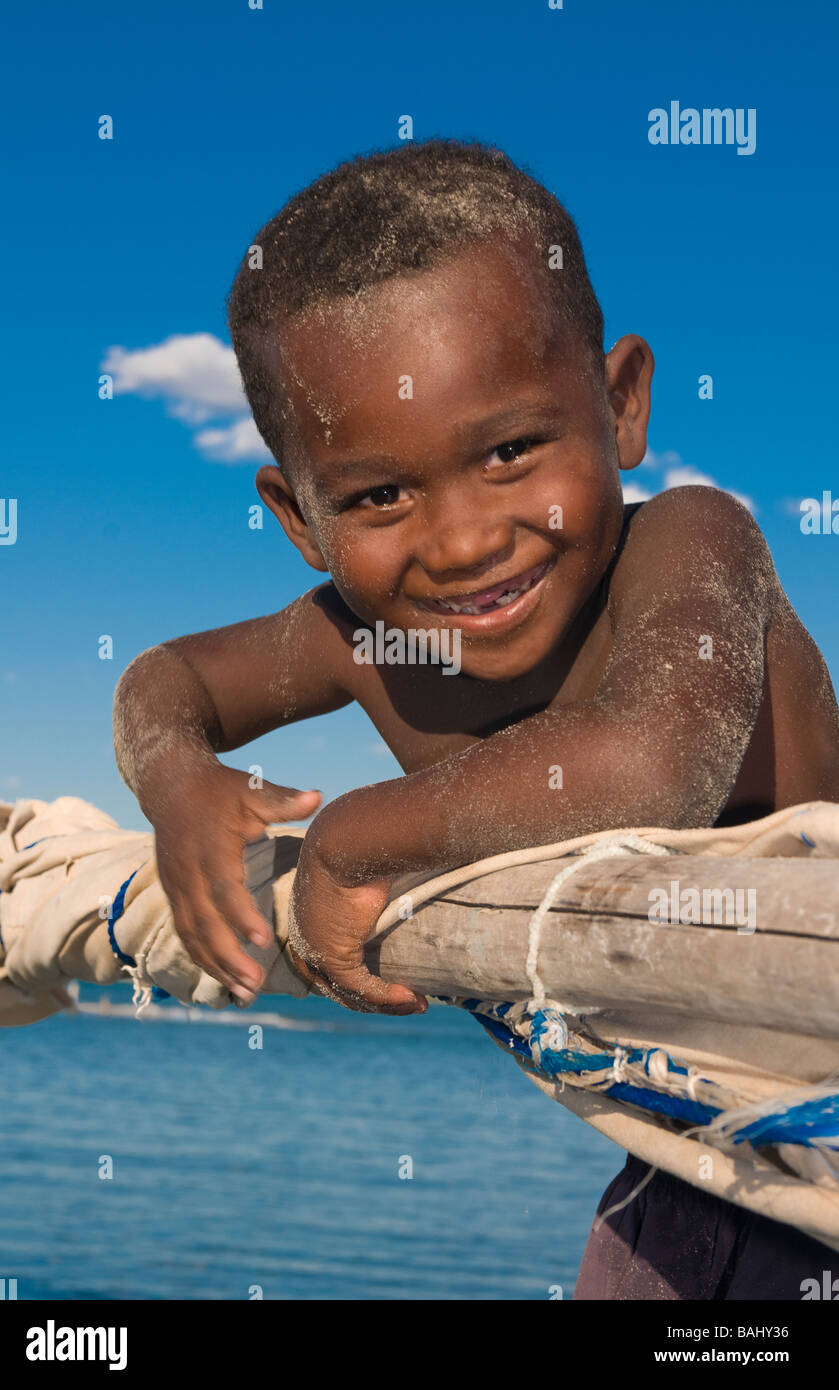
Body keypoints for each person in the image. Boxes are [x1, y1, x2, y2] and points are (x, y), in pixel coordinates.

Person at [112, 139, 839, 1297]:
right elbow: (166, 680)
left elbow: (643, 766)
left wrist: (353, 839)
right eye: (377, 495)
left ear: (620, 403)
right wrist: (176, 778)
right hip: (685, 1170)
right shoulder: (359, 636)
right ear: (300, 521)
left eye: (509, 451)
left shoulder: (692, 545)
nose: (460, 541)